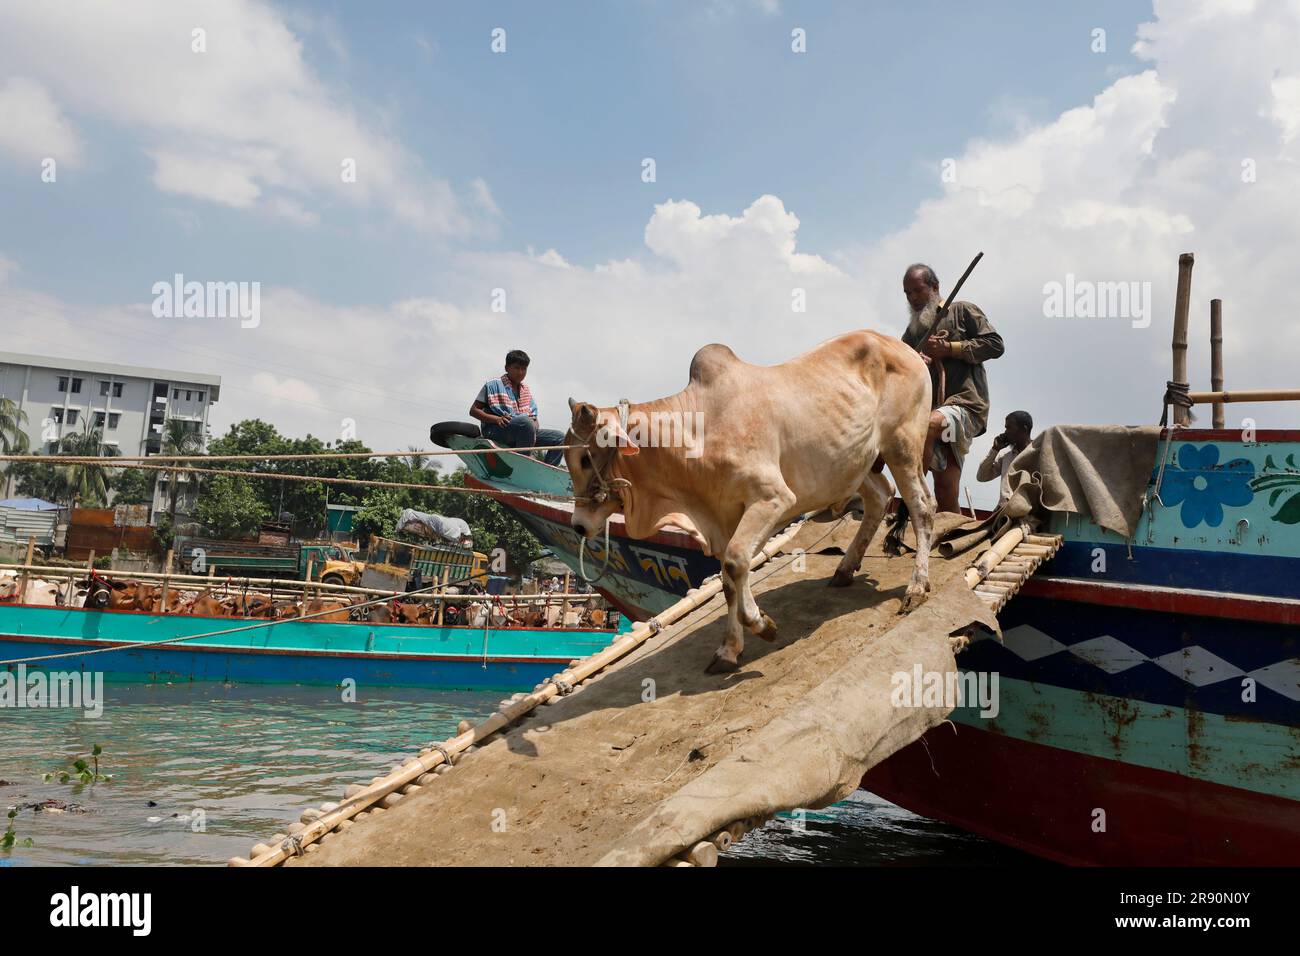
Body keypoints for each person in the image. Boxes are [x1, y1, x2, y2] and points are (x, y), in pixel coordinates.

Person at [900, 263, 1004, 513]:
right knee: (946, 491)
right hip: (933, 408)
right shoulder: (913, 332)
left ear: (934, 287)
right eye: (907, 293)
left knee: (926, 425)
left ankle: (910, 504)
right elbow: (901, 368)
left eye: (917, 290)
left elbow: (995, 345)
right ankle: (954, 542)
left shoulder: (962, 310)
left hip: (965, 405)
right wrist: (917, 362)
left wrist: (950, 349)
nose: (913, 298)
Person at [469, 349, 565, 466]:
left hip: (525, 431)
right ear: (507, 368)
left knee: (560, 438)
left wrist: (534, 427)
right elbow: (474, 411)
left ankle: (548, 472)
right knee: (525, 422)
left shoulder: (525, 391)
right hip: (496, 429)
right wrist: (496, 419)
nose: (520, 372)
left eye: (524, 369)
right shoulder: (493, 385)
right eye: (516, 368)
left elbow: (534, 418)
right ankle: (523, 466)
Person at [977, 410, 1033, 509]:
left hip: (1029, 512)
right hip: (1004, 511)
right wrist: (995, 449)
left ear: (1024, 429)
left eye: (1009, 427)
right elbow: (982, 477)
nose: (1006, 432)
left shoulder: (1038, 453)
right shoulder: (1006, 457)